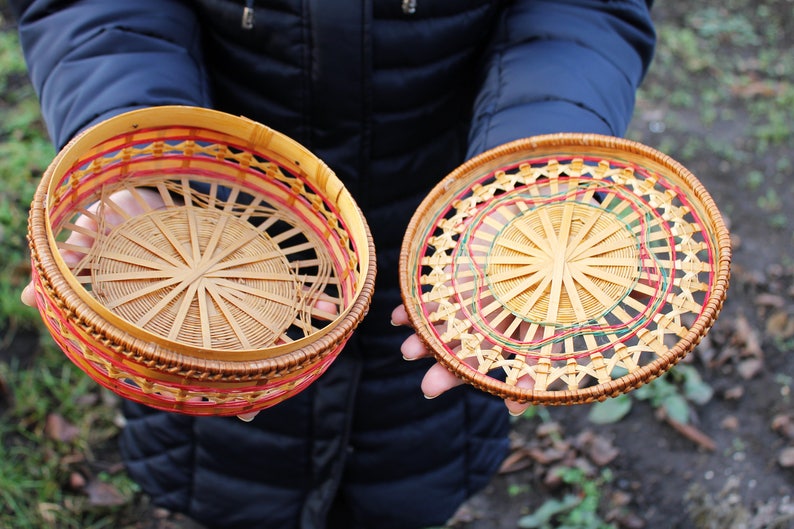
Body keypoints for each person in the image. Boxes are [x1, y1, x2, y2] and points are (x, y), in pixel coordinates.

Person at [11, 1, 656, 528]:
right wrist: (143, 153)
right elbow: (98, 13)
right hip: (211, 224)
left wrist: (519, 177)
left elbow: (582, 13)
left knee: (408, 480)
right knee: (237, 481)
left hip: (447, 243)